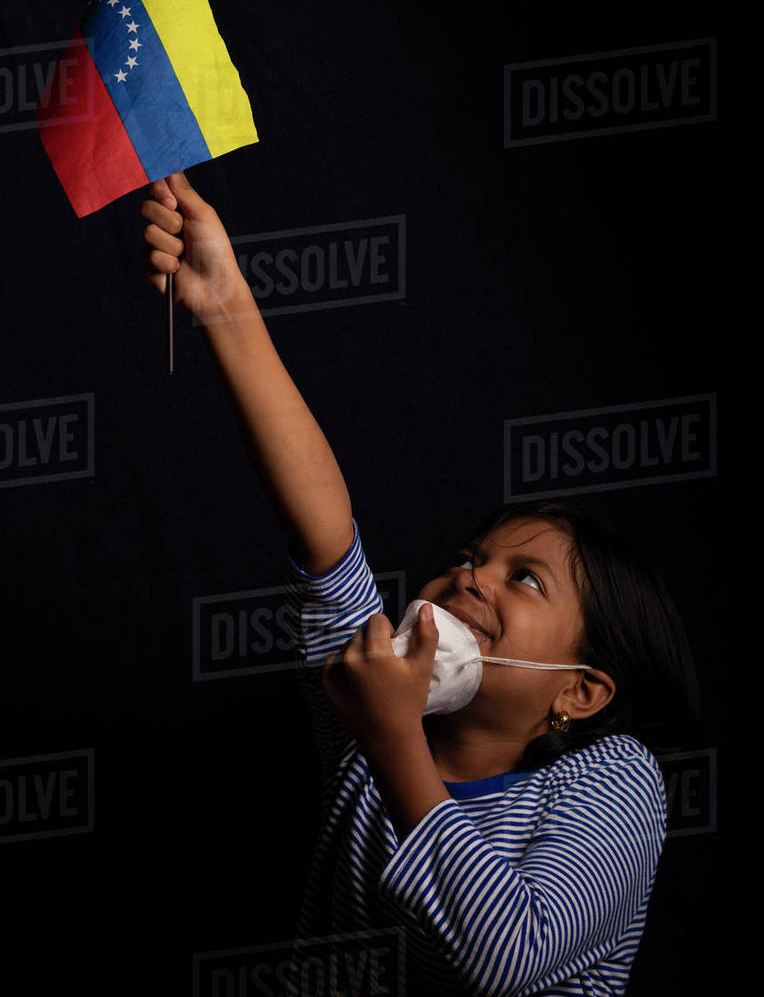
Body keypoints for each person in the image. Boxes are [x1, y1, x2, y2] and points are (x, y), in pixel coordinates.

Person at [140, 172, 703, 996]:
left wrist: (394, 736)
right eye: (471, 556)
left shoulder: (613, 778)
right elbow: (325, 532)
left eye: (526, 580)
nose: (473, 574)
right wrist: (223, 299)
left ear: (579, 692)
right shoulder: (369, 715)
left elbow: (506, 955)